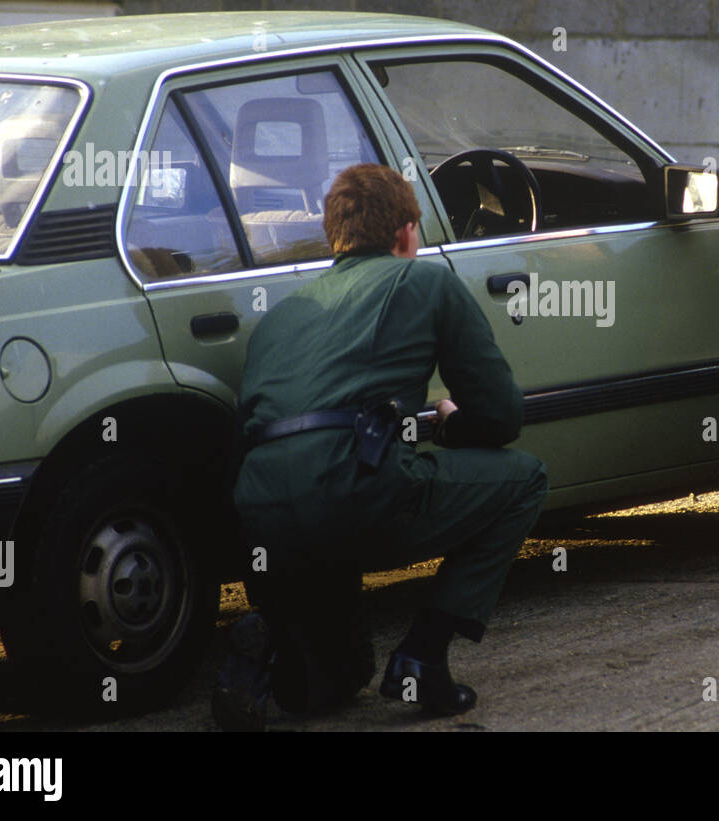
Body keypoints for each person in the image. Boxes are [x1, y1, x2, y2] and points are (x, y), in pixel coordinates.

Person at [213, 162, 548, 730]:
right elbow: (503, 417)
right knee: (523, 479)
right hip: (353, 495)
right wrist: (450, 425)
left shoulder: (284, 314)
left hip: (265, 518)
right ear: (406, 232)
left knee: (340, 681)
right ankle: (423, 655)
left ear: (334, 236)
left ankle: (268, 648)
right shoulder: (424, 281)